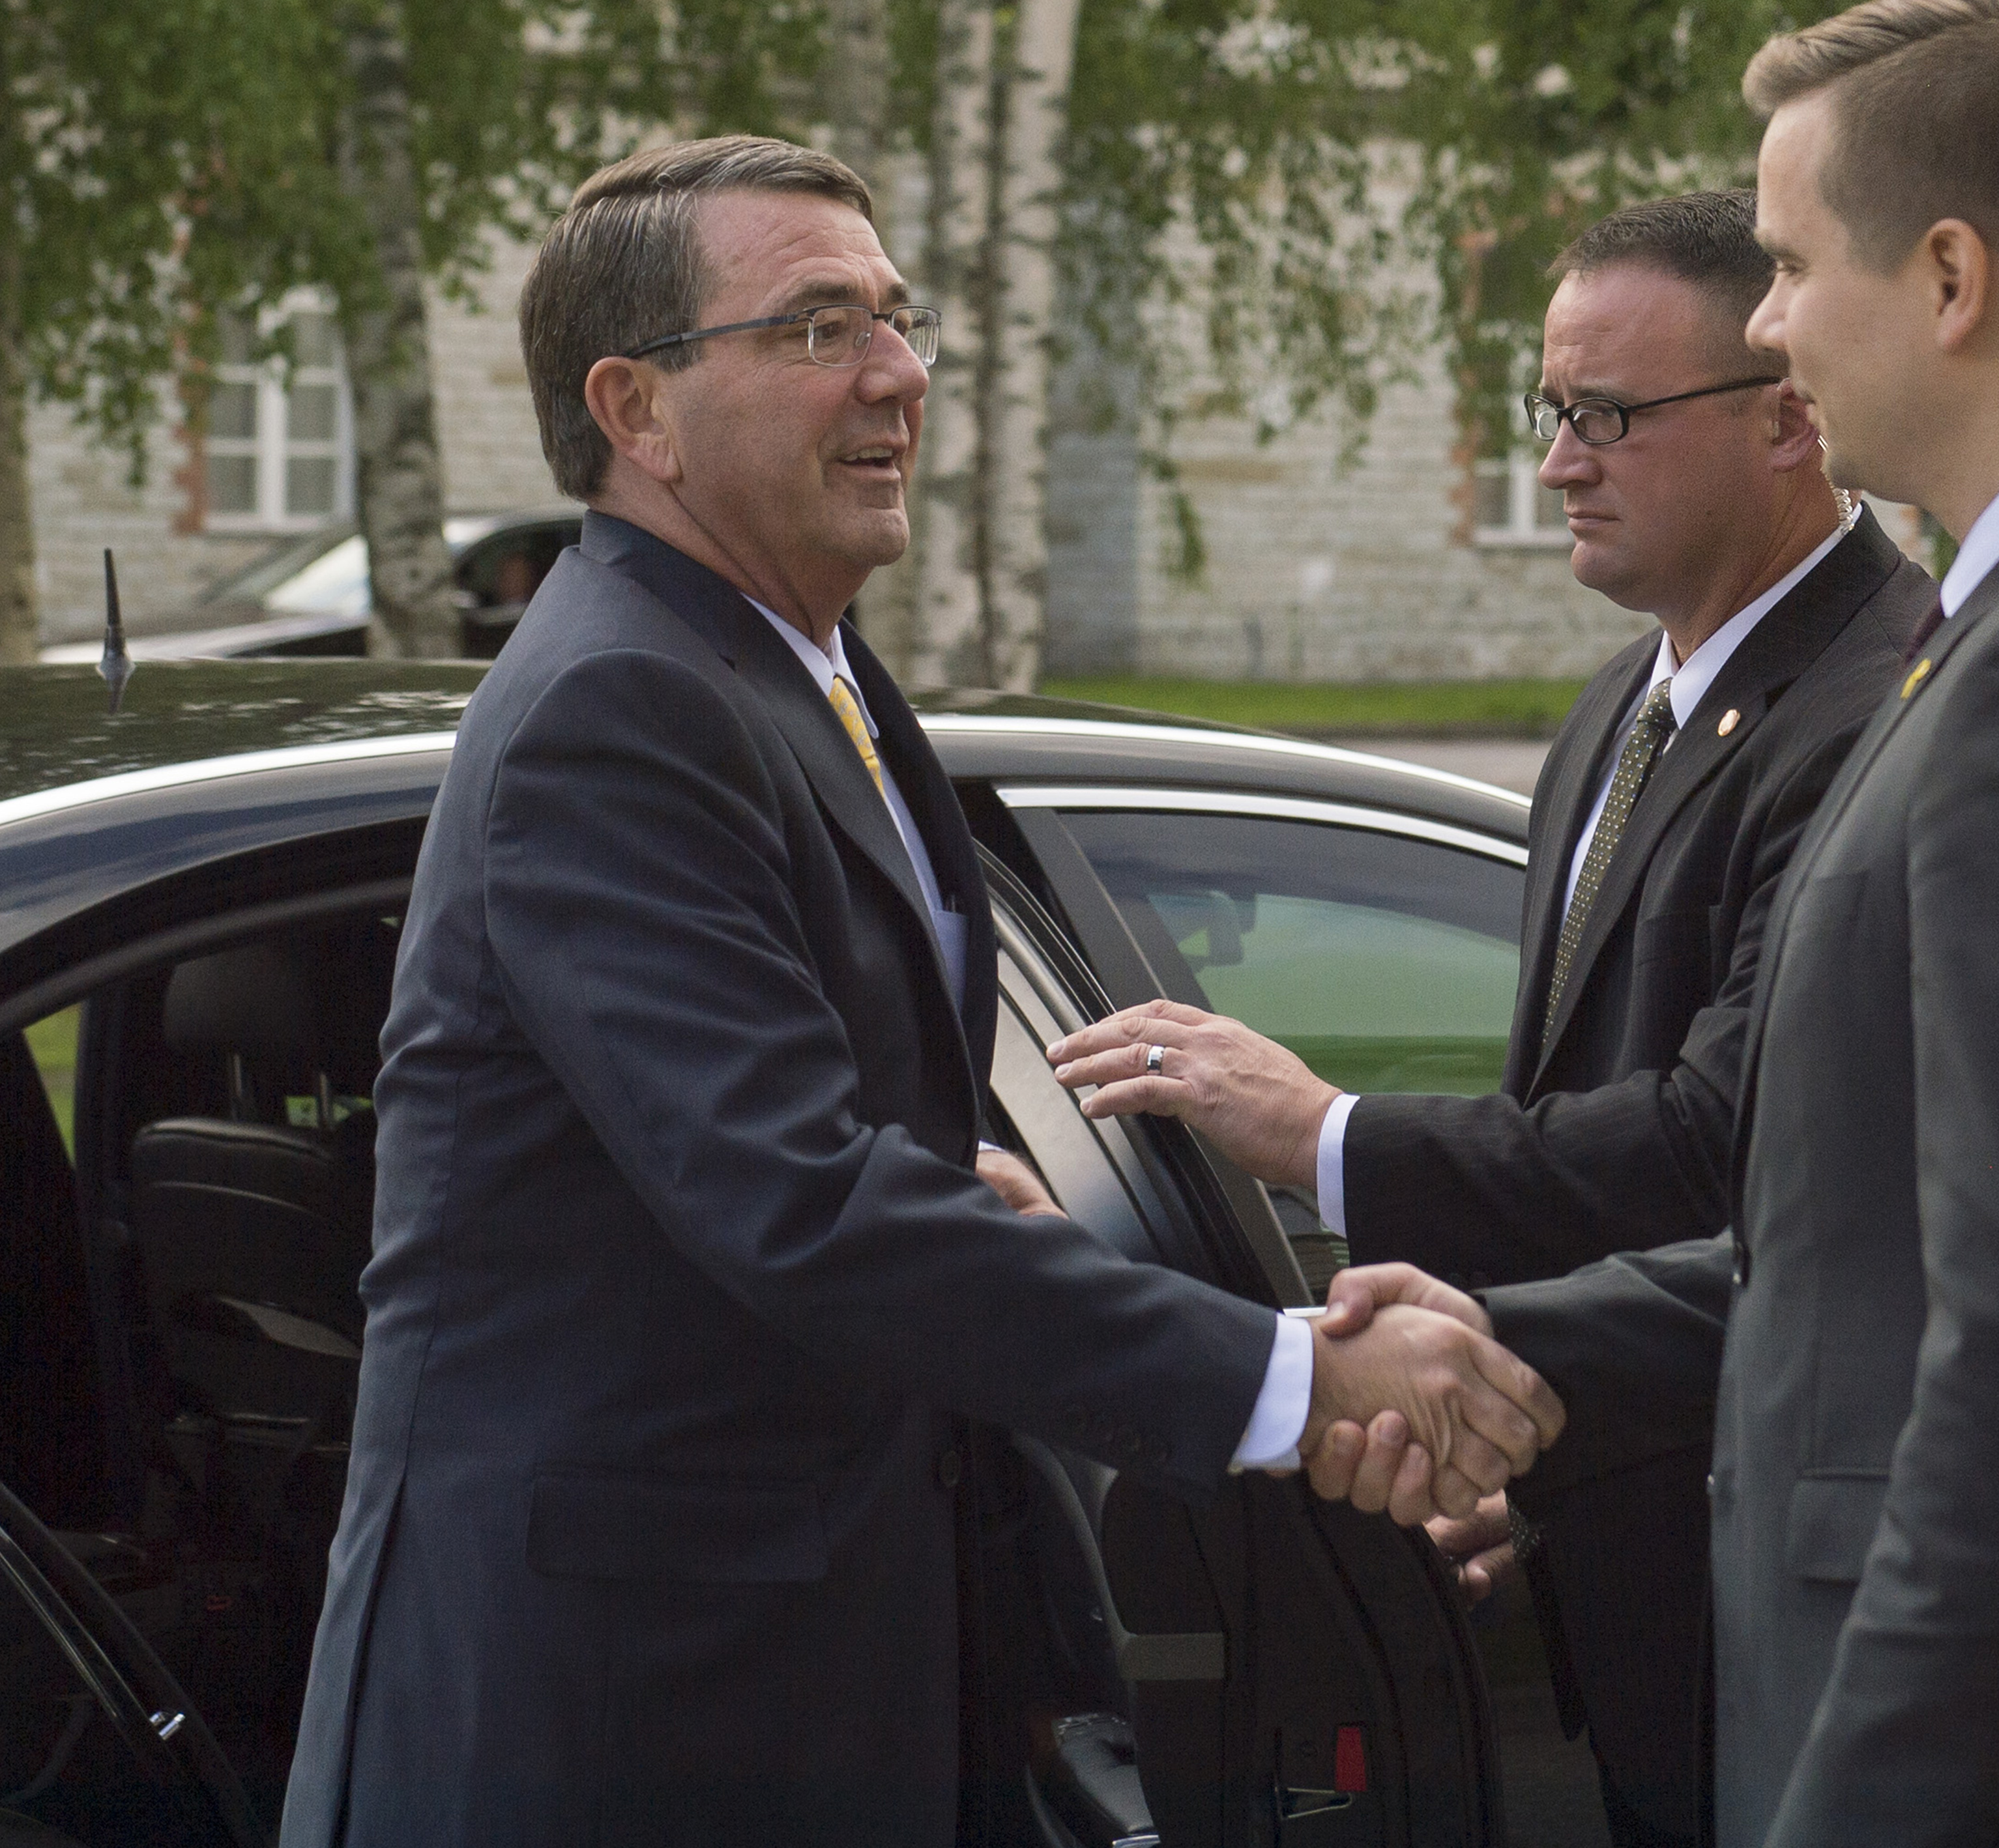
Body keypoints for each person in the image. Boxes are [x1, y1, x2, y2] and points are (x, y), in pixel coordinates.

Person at [277, 135, 1561, 1848]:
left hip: (793, 1668)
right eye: (816, 328)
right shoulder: (621, 712)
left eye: (895, 315)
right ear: (636, 410)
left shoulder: (793, 668)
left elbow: (754, 1125)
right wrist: (1292, 1379)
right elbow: (794, 1198)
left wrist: (943, 1170)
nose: (899, 372)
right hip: (618, 1718)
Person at [1324, 0, 1999, 1844]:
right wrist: (1533, 1345)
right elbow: (1897, 1237)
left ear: (1954, 279)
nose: (1769, 322)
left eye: (1795, 264)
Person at [1048, 190, 1935, 1845]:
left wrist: (1325, 1137)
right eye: (1551, 413)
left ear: (1787, 423)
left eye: (1607, 416)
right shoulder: (1619, 707)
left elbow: (1725, 1140)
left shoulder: (1888, 708)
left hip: (1796, 1583)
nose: (1558, 465)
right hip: (1629, 1552)